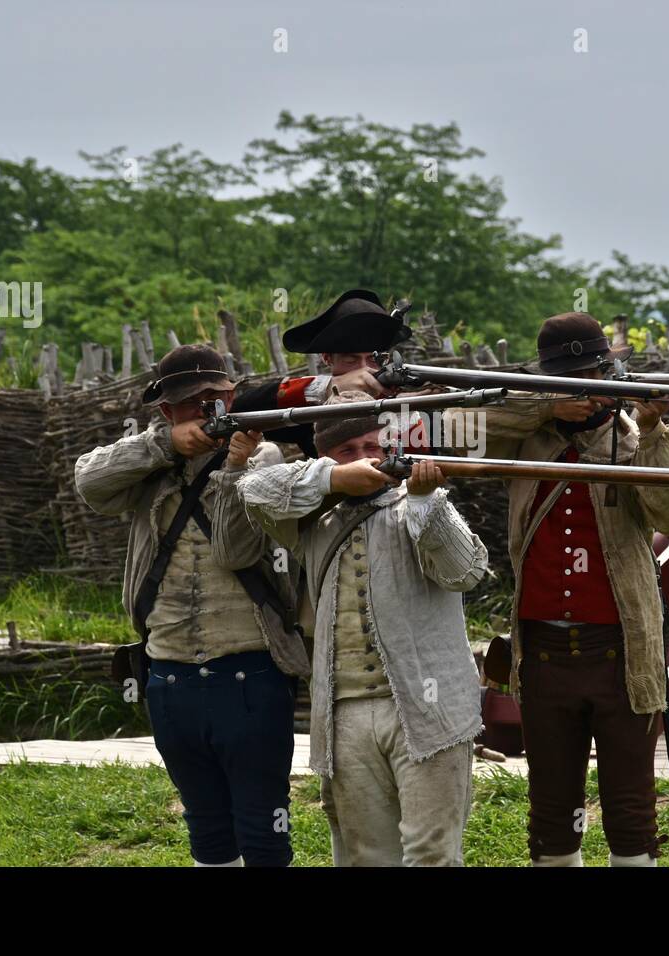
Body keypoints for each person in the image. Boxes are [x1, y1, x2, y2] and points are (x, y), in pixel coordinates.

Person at [442, 312, 669, 867]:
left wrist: (655, 428)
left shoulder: (632, 440)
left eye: (587, 377)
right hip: (542, 652)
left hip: (620, 653)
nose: (579, 390)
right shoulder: (524, 432)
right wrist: (544, 406)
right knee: (551, 809)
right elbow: (453, 424)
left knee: (631, 809)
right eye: (566, 379)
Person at [74, 343, 309, 867]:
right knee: (205, 825)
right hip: (169, 670)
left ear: (231, 396)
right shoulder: (151, 462)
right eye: (190, 404)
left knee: (263, 823)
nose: (205, 411)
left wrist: (234, 459)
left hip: (252, 668)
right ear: (167, 412)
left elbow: (236, 545)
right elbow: (88, 480)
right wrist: (165, 445)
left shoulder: (265, 457)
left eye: (213, 399)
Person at [237, 390, 488, 866]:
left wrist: (424, 501)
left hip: (428, 707)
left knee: (431, 852)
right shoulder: (312, 517)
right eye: (348, 451)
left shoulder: (422, 503)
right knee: (364, 856)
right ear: (326, 458)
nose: (366, 459)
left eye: (373, 447)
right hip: (344, 712)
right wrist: (335, 479)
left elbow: (466, 573)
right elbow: (253, 489)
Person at [233, 289, 411, 455]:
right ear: (327, 358)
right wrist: (329, 387)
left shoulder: (406, 402)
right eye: (351, 360)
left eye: (374, 359)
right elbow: (239, 411)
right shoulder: (311, 409)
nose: (364, 370)